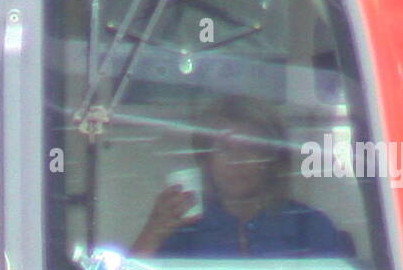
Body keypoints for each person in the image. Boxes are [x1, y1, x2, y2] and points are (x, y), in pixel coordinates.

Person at [129, 99, 354, 259]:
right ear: (205, 159)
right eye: (224, 149)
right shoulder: (185, 231)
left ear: (271, 157)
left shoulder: (309, 226)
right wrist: (153, 231)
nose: (237, 160)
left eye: (251, 147)